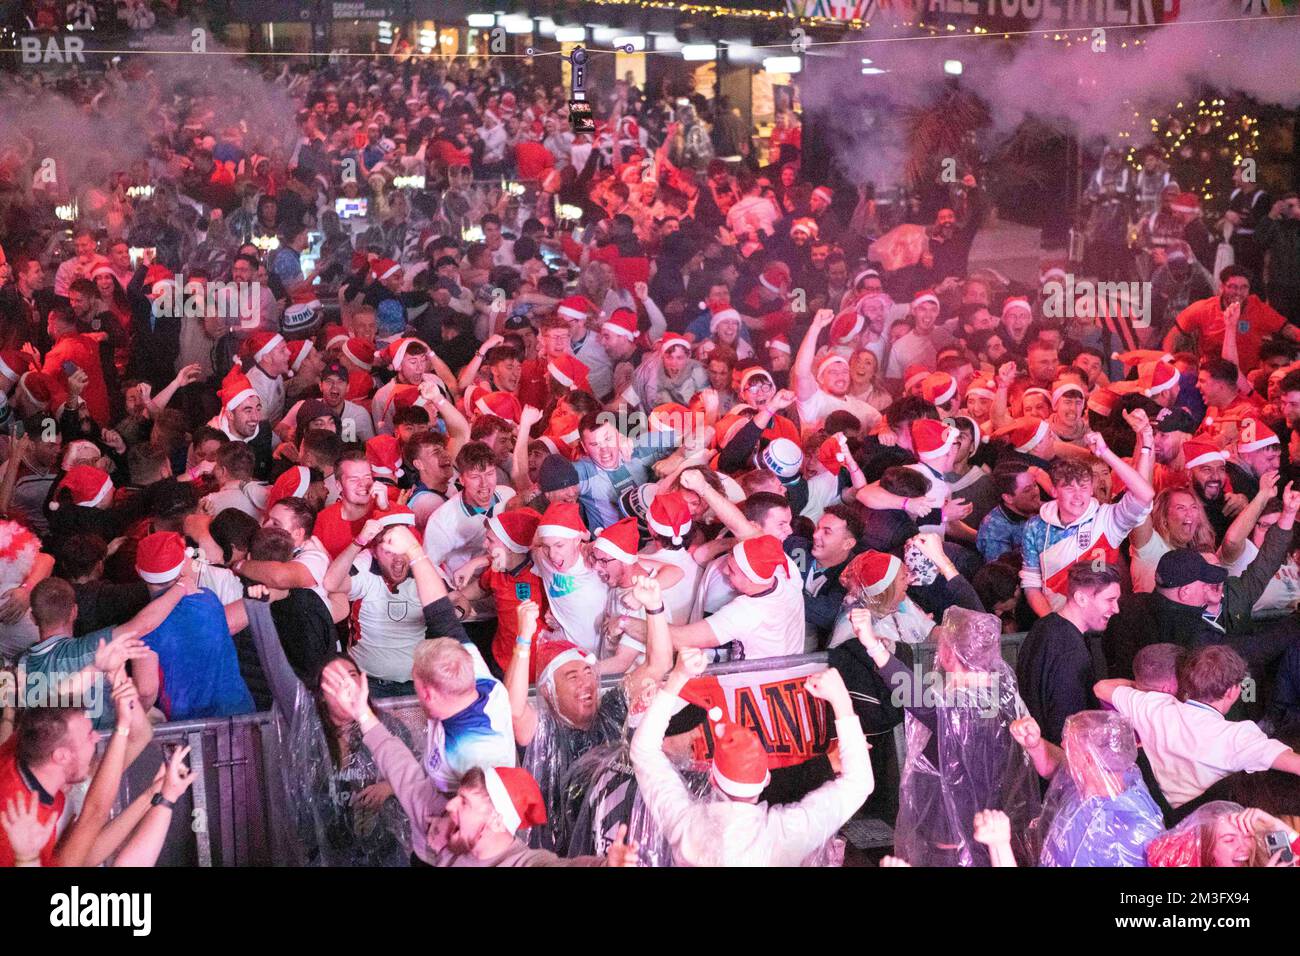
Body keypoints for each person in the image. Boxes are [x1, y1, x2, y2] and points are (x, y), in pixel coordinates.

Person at [319, 667, 635, 866]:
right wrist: (362, 713)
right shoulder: (440, 821)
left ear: (498, 821)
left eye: (466, 802)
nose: (450, 803)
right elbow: (398, 762)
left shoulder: (518, 862)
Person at [630, 646, 872, 866]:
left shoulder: (686, 825)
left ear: (713, 778)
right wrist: (841, 701)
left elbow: (643, 751)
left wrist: (677, 678)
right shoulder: (785, 834)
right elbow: (858, 784)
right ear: (766, 779)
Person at [869, 605, 1041, 866]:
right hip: (989, 825)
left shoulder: (954, 710)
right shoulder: (1002, 695)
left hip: (949, 835)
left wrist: (871, 644)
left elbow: (910, 692)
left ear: (950, 654)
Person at [1095, 644, 1300, 809]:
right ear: (1232, 692)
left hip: (1154, 809)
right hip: (1203, 825)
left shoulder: (1153, 706)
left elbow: (1101, 687)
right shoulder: (1238, 738)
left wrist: (1143, 689)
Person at [1020, 433, 1155, 616]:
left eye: (1083, 487)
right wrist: (1053, 623)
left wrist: (1105, 452)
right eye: (1069, 488)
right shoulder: (1035, 527)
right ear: (1053, 490)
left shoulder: (1108, 518)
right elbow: (1031, 584)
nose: (1077, 496)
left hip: (1103, 623)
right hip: (1059, 621)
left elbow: (1144, 494)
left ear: (1091, 489)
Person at [1014, 711, 1165, 867]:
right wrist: (1035, 745)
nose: (1062, 747)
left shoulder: (1132, 826)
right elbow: (1054, 767)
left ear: (1088, 759)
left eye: (1068, 747)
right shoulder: (1082, 780)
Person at [1016, 564, 1121, 746]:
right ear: (1081, 598)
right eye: (1110, 600)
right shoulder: (1072, 655)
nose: (1116, 609)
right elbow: (1067, 730)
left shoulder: (1044, 626)